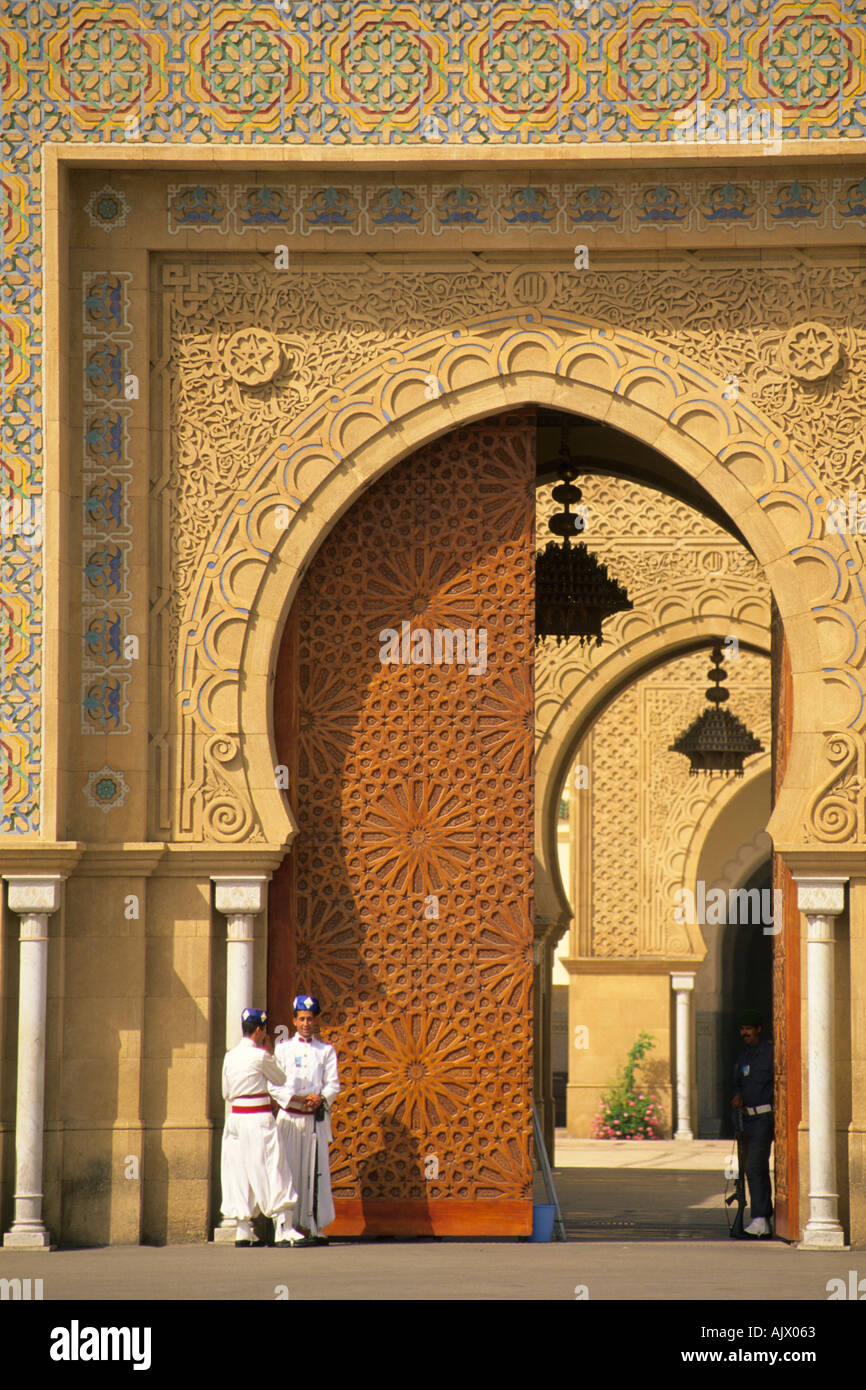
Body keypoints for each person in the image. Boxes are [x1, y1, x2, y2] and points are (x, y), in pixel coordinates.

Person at [221, 1007, 297, 1246]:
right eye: (264, 1030)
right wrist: (270, 1052)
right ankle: (283, 1228)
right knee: (273, 1168)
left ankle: (243, 1229)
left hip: (235, 1120)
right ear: (258, 1030)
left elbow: (225, 1092)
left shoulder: (230, 1055)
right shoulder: (260, 1056)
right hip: (257, 1119)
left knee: (239, 1172)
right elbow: (281, 1078)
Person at [269, 994, 340, 1247]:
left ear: (315, 1020)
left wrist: (319, 1098)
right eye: (301, 1019)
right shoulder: (283, 1049)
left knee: (315, 1172)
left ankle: (314, 1226)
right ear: (294, 1020)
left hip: (314, 1122)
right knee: (286, 1170)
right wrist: (297, 1099)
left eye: (310, 1019)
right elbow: (274, 1085)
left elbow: (333, 1084)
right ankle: (284, 1226)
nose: (306, 1023)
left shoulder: (326, 1051)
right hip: (290, 1119)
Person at [731, 1008, 774, 1238]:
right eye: (742, 1029)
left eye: (748, 1028)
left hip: (765, 1118)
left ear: (758, 1029)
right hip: (748, 1119)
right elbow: (738, 1083)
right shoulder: (744, 1056)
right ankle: (761, 1219)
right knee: (752, 1168)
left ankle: (761, 1218)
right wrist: (737, 1096)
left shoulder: (769, 1053)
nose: (745, 1033)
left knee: (754, 1166)